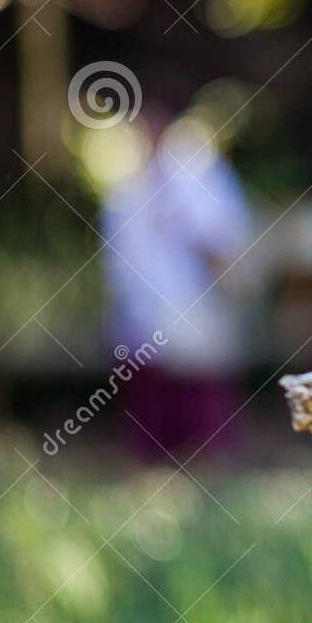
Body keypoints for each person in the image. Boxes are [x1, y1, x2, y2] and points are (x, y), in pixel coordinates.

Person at [100, 103, 252, 463]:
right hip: (143, 314)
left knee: (200, 404)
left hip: (192, 306)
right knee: (153, 404)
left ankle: (210, 468)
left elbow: (221, 241)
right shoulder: (126, 186)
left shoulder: (199, 175)